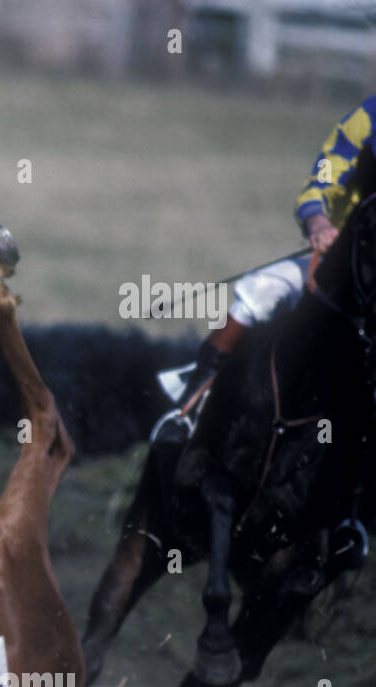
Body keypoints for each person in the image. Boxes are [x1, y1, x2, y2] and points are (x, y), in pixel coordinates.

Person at [152, 94, 376, 445]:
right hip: (339, 265)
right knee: (261, 288)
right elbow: (322, 181)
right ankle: (189, 409)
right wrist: (318, 224)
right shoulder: (367, 117)